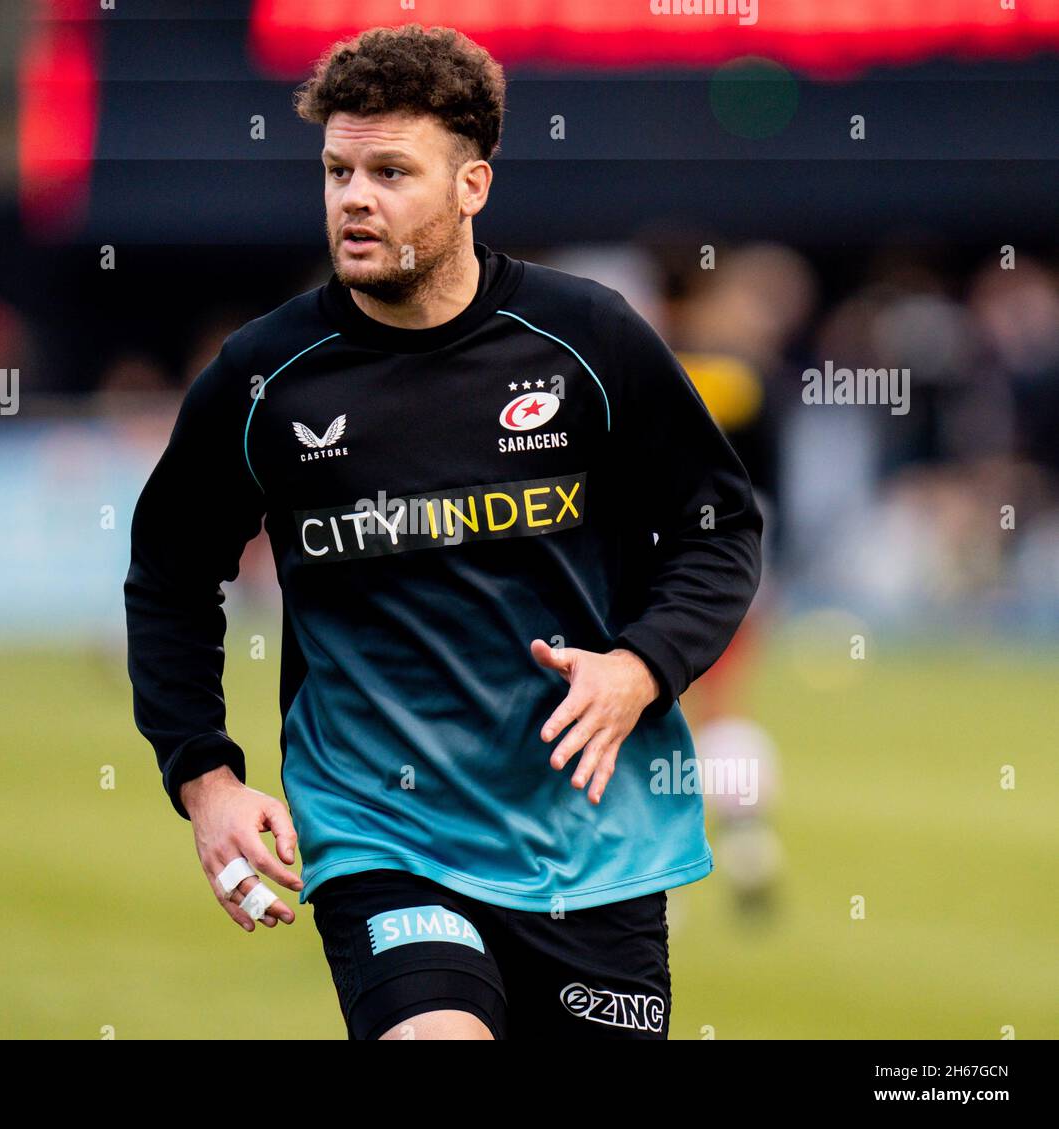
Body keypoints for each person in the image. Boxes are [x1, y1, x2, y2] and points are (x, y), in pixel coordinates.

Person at [124, 23, 762, 1041]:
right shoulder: (263, 377)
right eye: (336, 170)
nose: (352, 198)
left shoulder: (587, 340)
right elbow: (168, 572)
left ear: (472, 185)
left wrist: (640, 668)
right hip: (382, 830)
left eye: (389, 171)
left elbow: (718, 526)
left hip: (589, 840)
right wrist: (204, 777)